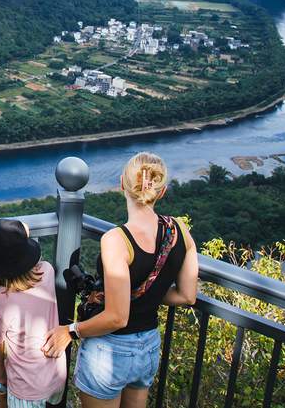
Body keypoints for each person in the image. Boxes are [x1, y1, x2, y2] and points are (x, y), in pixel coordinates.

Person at [42, 152, 199, 408]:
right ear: (162, 191)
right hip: (148, 346)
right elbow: (187, 295)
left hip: (111, 351)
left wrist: (70, 331)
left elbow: (117, 317)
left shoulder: (117, 240)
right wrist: (148, 294)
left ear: (122, 184)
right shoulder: (179, 229)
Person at [0, 219, 67, 408]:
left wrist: (1, 380)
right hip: (55, 375)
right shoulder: (47, 271)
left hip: (26, 388)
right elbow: (25, 231)